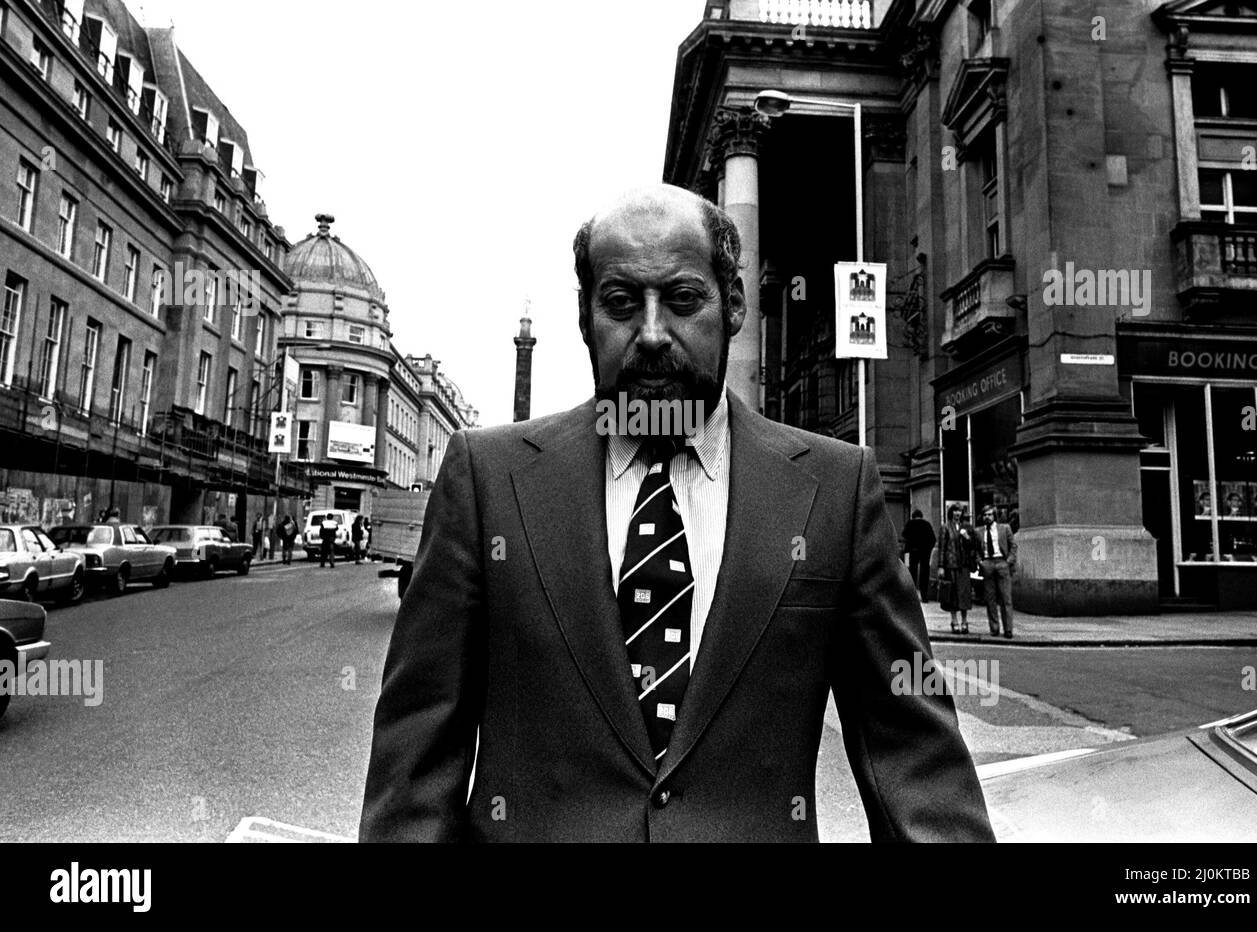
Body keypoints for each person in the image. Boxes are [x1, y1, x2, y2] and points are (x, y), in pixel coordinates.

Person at [360, 184, 992, 843]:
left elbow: (914, 759)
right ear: (585, 316)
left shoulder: (834, 489)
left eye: (684, 299)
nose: (654, 333)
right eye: (622, 303)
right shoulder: (486, 478)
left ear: (735, 304)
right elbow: (416, 762)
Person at [977, 504, 1017, 639]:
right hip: (987, 563)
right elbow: (976, 549)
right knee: (990, 599)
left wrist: (1009, 561)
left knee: (1006, 598)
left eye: (989, 514)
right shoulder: (979, 531)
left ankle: (1008, 629)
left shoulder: (1004, 528)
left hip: (1001, 562)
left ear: (994, 516)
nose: (987, 517)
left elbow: (1013, 545)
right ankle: (994, 628)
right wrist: (980, 562)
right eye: (985, 515)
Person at [937, 504, 976, 633]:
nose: (957, 513)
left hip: (963, 565)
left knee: (964, 594)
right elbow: (942, 548)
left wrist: (967, 537)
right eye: (955, 511)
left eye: (959, 511)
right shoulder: (945, 527)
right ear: (951, 512)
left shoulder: (966, 527)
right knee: (952, 594)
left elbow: (973, 546)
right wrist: (941, 566)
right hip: (951, 564)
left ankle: (965, 622)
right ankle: (954, 621)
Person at [900, 509, 937, 601]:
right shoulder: (927, 524)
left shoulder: (910, 524)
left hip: (911, 552)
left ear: (913, 516)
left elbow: (904, 536)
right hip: (924, 552)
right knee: (924, 573)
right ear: (921, 516)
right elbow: (933, 539)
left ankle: (912, 596)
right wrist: (928, 549)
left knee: (911, 572)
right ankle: (924, 596)